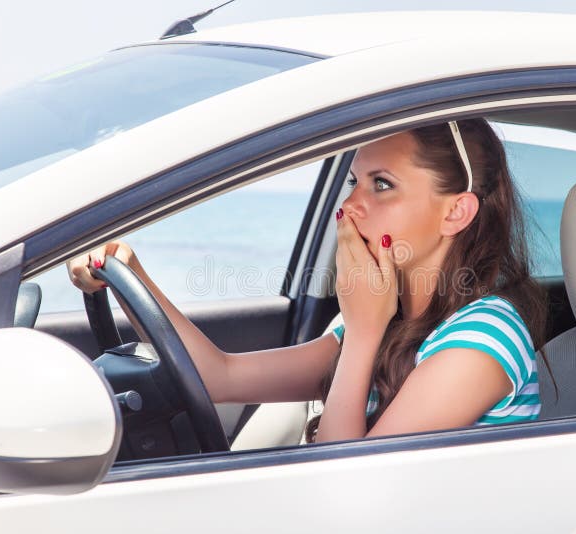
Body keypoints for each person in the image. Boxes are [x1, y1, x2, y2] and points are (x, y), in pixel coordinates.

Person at [67, 118, 547, 444]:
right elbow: (220, 377)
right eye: (353, 182)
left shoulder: (484, 337)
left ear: (455, 212)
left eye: (382, 184)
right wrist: (129, 270)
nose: (350, 207)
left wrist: (362, 333)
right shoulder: (384, 319)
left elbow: (346, 491)